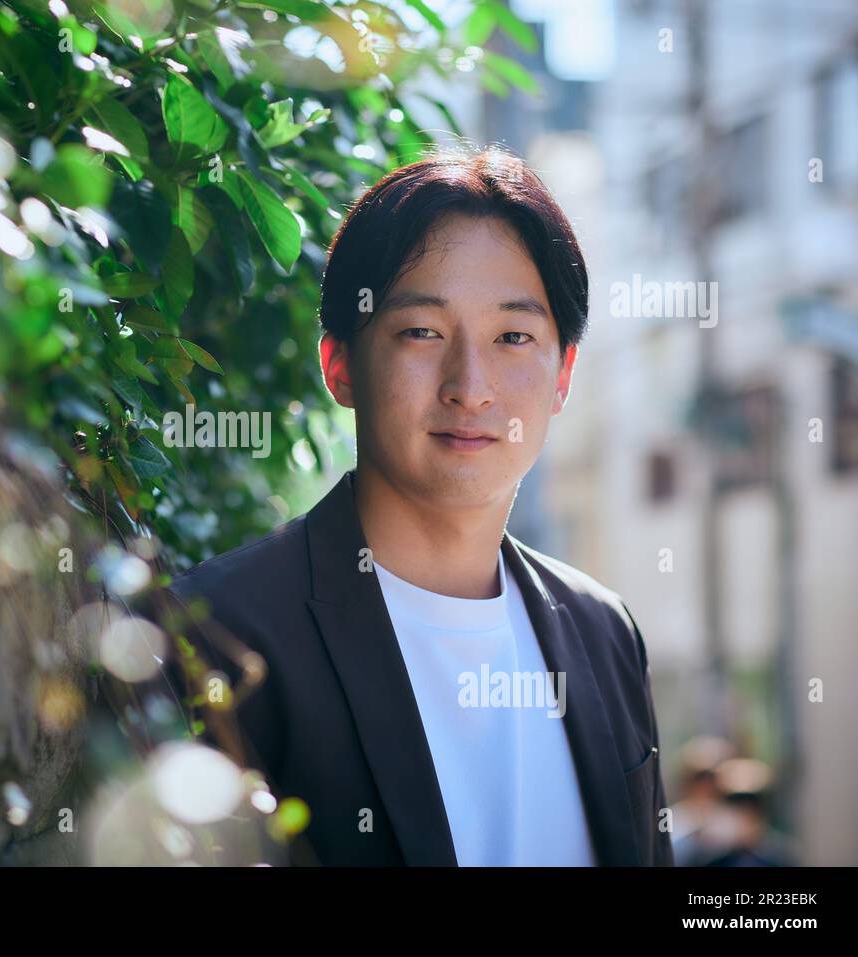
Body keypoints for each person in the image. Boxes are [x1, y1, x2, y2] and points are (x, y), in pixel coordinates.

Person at [159, 144, 673, 866]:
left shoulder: (605, 632)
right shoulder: (215, 634)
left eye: (513, 336)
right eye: (422, 332)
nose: (470, 386)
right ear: (339, 363)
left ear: (563, 376)